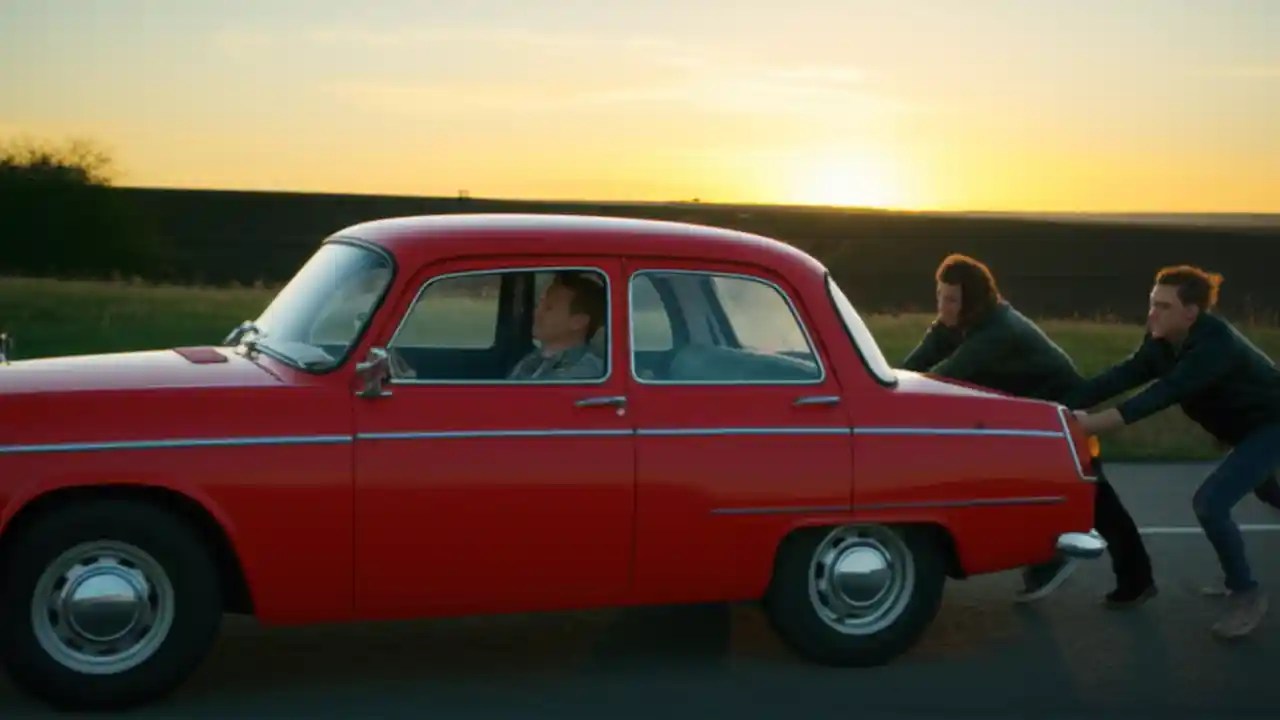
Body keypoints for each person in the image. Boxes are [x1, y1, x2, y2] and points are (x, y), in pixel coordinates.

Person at [902, 254, 1156, 606]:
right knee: (1026, 488)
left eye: (951, 299)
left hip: (1062, 412)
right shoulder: (963, 322)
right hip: (1029, 416)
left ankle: (1133, 579)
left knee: (1096, 499)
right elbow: (912, 369)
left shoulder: (996, 332)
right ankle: (1048, 557)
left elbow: (942, 378)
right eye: (940, 296)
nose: (943, 306)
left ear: (971, 301)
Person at [1070, 265, 1280, 639]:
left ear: (1191, 312)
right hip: (1243, 430)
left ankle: (1246, 592)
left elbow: (1158, 397)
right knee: (1269, 491)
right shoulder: (1162, 340)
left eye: (1163, 306)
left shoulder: (1215, 346)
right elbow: (1123, 376)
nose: (1152, 313)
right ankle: (1238, 578)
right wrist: (1055, 405)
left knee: (1210, 504)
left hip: (1270, 426)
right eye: (1152, 304)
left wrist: (1087, 424)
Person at [507, 271, 607, 380]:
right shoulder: (532, 360)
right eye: (538, 305)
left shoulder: (585, 373)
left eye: (548, 308)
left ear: (578, 321)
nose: (537, 313)